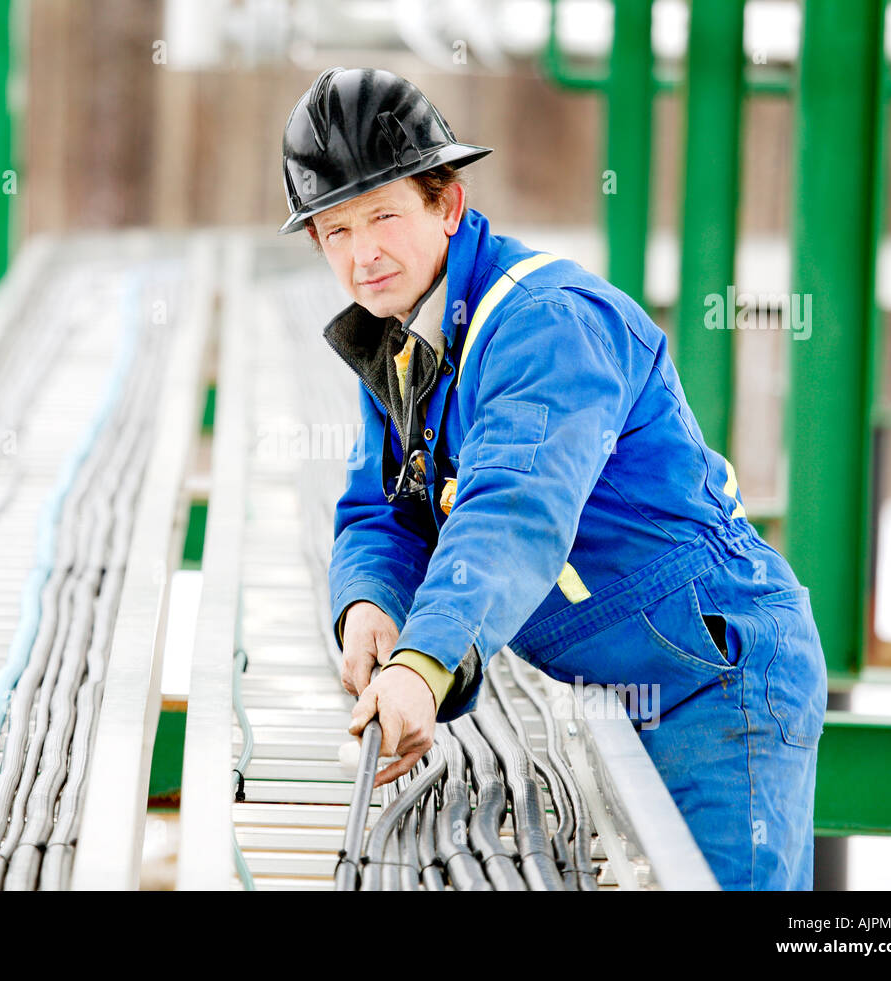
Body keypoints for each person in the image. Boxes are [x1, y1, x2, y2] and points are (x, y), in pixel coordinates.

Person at [277, 67, 828, 890]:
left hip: (714, 678)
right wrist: (369, 607)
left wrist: (425, 664)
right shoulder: (399, 342)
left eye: (385, 214)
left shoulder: (545, 324)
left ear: (447, 204)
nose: (364, 255)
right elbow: (381, 511)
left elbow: (515, 509)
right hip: (615, 683)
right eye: (337, 229)